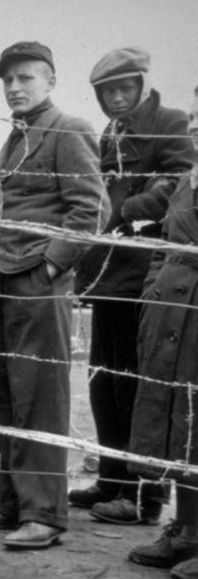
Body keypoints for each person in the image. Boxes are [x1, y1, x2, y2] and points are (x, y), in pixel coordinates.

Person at [0, 42, 107, 548]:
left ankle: (45, 514)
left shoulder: (69, 129)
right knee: (3, 392)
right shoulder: (16, 136)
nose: (14, 88)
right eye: (8, 81)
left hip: (36, 280)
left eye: (25, 78)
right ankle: (11, 502)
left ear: (50, 82)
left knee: (40, 395)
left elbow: (90, 210)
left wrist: (51, 266)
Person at [72, 48, 194, 525]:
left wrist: (122, 209)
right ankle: (111, 479)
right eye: (108, 92)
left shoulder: (170, 121)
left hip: (145, 273)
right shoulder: (111, 131)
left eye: (125, 89)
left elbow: (178, 185)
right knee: (103, 380)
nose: (117, 98)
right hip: (108, 272)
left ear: (143, 85)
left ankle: (144, 497)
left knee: (136, 383)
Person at [127, 86, 198, 579]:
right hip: (173, 312)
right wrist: (154, 290)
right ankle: (188, 529)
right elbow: (165, 244)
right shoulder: (189, 179)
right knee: (181, 426)